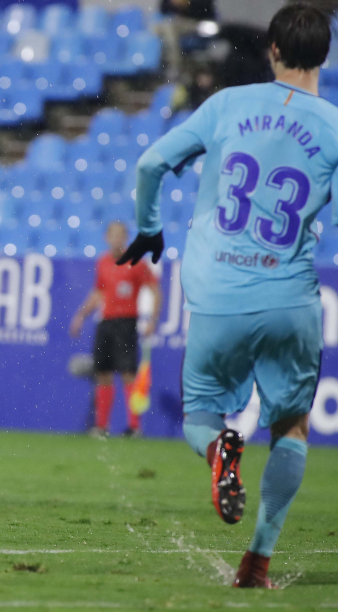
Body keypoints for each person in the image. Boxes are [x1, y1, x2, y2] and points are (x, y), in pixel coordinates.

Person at [121, 3, 335, 588]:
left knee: (201, 415)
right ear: (326, 55)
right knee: (290, 427)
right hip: (289, 296)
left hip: (216, 291)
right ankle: (257, 562)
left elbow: (152, 162)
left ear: (272, 50)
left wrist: (148, 225)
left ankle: (218, 452)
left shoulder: (225, 105)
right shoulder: (335, 127)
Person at [69, 221, 162, 438]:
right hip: (106, 322)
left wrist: (153, 321)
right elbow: (99, 293)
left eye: (121, 235)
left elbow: (156, 292)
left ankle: (134, 427)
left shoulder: (137, 262)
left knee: (128, 374)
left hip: (127, 322)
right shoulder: (102, 262)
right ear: (106, 238)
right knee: (103, 373)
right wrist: (81, 315)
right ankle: (102, 427)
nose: (117, 239)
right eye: (113, 235)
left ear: (126, 238)